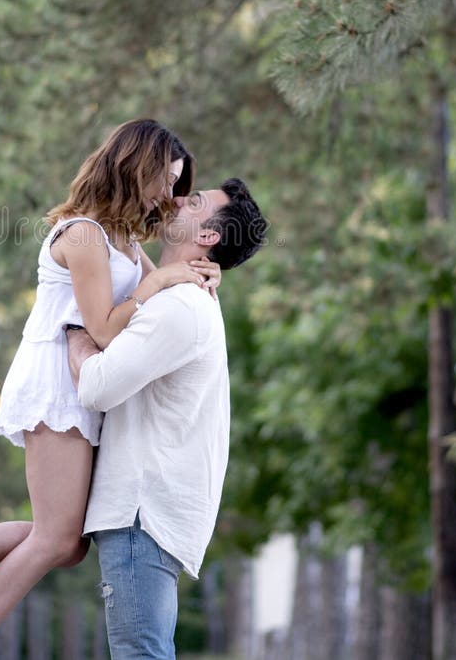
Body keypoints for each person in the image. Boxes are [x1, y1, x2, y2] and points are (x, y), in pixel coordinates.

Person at [0, 119, 221, 660]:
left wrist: (197, 274)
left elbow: (155, 295)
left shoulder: (122, 239)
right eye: (165, 180)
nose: (169, 195)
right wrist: (159, 282)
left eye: (176, 183)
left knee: (69, 543)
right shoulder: (82, 233)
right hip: (57, 381)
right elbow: (103, 326)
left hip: (85, 381)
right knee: (57, 539)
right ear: (134, 168)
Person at [65, 178, 267, 660]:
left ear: (209, 237)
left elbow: (95, 386)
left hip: (142, 512)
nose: (178, 200)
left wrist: (74, 333)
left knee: (142, 655)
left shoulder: (179, 306)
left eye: (194, 202)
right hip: (151, 512)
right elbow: (140, 275)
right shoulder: (181, 297)